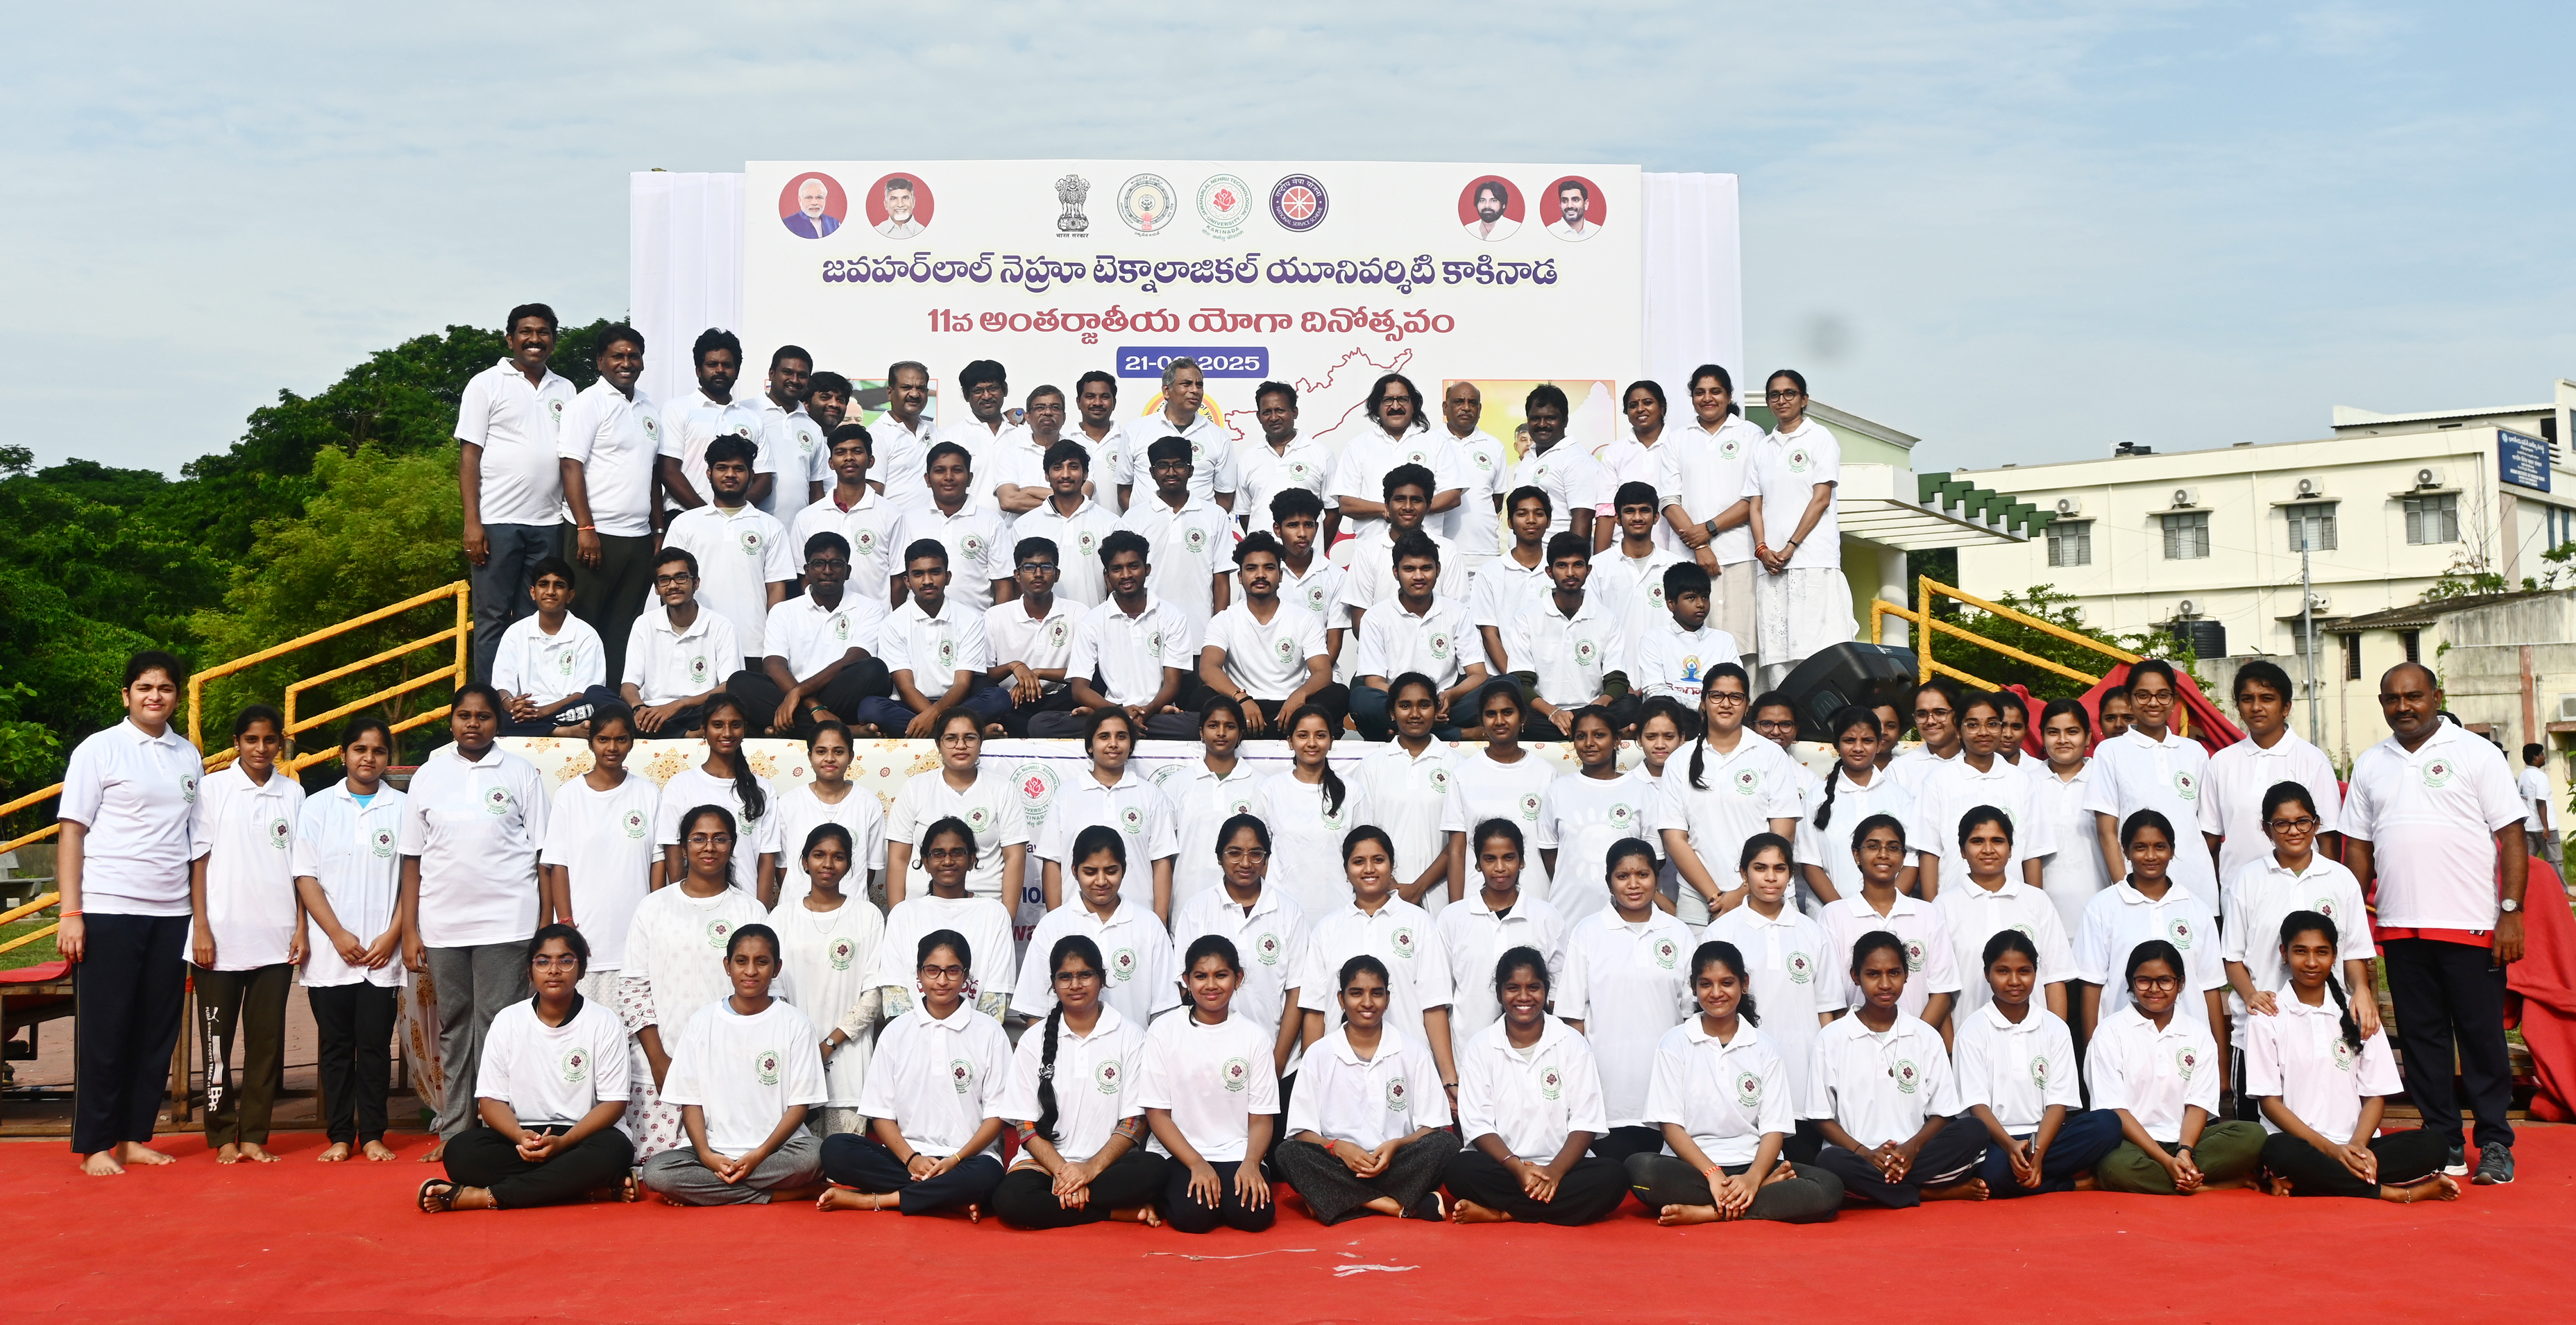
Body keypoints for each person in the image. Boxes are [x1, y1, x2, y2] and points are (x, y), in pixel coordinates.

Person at [2341, 661, 2530, 1183]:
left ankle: (2494, 1142)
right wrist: (2351, 915)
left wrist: (2510, 913)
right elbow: (2357, 847)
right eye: (2392, 698)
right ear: (2382, 704)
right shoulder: (2370, 763)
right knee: (2422, 1041)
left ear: (2435, 695)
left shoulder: (2476, 753)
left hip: (2471, 927)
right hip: (2401, 929)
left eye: (2414, 695)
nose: (2404, 706)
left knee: (2481, 1039)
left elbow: (2512, 836)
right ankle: (2443, 1140)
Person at [58, 653, 197, 1172]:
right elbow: (72, 830)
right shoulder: (99, 749)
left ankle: (135, 1135)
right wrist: (71, 912)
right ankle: (95, 1143)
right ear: (126, 695)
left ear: (177, 696)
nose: (154, 696)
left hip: (172, 911)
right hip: (111, 905)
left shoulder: (188, 755)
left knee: (156, 1029)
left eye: (164, 687)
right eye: (144, 687)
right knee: (106, 1028)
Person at [399, 684, 549, 1161]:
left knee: (499, 1028)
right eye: (463, 715)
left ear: (497, 722)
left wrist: (543, 927)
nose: (473, 724)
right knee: (455, 1026)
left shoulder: (522, 773)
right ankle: (456, 1132)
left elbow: (545, 856)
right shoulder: (429, 775)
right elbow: (411, 858)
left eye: (483, 716)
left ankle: (498, 1133)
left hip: (508, 922)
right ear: (450, 721)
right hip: (444, 924)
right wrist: (410, 927)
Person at [1625, 940, 1846, 1224]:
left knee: (1828, 1187)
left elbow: (1774, 1129)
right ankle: (1754, 1199)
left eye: (1727, 983)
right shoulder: (1674, 1043)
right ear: (1693, 987)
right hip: (1692, 1168)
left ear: (1744, 984)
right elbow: (1669, 1126)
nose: (1716, 993)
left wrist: (1753, 1179)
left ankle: (1710, 1212)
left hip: (1753, 1163)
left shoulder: (1764, 1047)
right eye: (1706, 984)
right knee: (1640, 1172)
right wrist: (1714, 1175)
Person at [2246, 912, 2459, 1203]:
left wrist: (2357, 1146)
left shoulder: (2359, 1013)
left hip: (2356, 1142)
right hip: (2300, 1145)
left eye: (2322, 952)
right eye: (2300, 951)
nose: (2311, 962)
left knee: (2435, 1144)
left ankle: (2311, 1181)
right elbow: (2269, 1103)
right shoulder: (2267, 1016)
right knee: (2278, 1150)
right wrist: (2332, 1151)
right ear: (2284, 953)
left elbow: (2374, 1095)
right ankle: (2395, 1193)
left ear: (2335, 956)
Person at [421, 925, 636, 1210]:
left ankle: (485, 1197)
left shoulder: (604, 1022)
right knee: (461, 1152)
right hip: (522, 1137)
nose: (554, 969)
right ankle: (583, 1188)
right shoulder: (508, 1020)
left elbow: (614, 1103)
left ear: (582, 970)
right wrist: (519, 1136)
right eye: (543, 961)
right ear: (529, 971)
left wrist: (564, 1143)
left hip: (580, 1137)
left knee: (615, 1151)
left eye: (566, 960)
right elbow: (491, 1099)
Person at [617, 804, 777, 1159]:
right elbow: (633, 989)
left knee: (729, 1159)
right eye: (699, 838)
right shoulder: (654, 907)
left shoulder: (749, 911)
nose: (709, 847)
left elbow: (765, 992)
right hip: (660, 1061)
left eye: (720, 838)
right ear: (684, 846)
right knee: (654, 1170)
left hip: (732, 1065)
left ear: (733, 845)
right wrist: (659, 1060)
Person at [817, 929, 1012, 1217]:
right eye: (932, 970)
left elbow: (996, 1115)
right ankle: (951, 1197)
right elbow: (881, 1114)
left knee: (988, 1174)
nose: (942, 980)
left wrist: (957, 1158)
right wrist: (911, 1159)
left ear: (966, 976)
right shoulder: (897, 1031)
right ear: (918, 975)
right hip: (905, 1158)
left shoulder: (990, 1032)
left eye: (952, 971)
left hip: (968, 1158)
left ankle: (878, 1200)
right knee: (835, 1149)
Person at [189, 705, 305, 1163]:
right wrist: (200, 926)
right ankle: (221, 1136)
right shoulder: (214, 789)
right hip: (218, 936)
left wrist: (301, 928)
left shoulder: (294, 794)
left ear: (280, 744)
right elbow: (198, 862)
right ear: (237, 742)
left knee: (266, 1045)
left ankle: (255, 1134)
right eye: (252, 739)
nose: (261, 748)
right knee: (217, 1043)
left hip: (276, 938)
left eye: (270, 740)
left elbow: (302, 870)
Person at [641, 925, 829, 1204]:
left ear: (776, 968)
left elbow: (800, 1106)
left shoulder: (796, 1024)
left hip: (776, 1151)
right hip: (714, 1152)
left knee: (816, 1156)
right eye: (741, 961)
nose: (750, 971)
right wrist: (705, 1155)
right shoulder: (701, 1022)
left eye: (761, 962)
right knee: (657, 1173)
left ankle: (707, 1192)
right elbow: (691, 1101)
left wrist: (760, 1154)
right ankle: (779, 1194)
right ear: (727, 966)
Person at [1441, 947, 1625, 1225]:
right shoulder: (1480, 1047)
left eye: (1534, 987)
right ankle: (1550, 1208)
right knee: (1458, 1169)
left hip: (1563, 1167)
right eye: (1513, 988)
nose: (1524, 997)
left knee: (1613, 1176)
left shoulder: (1571, 1042)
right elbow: (1477, 1126)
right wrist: (1518, 1169)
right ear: (1500, 993)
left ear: (1546, 990)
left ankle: (1504, 1213)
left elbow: (1586, 1122)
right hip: (1503, 1166)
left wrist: (1553, 1172)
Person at [293, 717, 407, 1163]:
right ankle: (340, 1134)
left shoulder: (402, 808)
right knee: (336, 1047)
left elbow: (412, 881)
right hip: (329, 953)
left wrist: (393, 934)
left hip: (382, 953)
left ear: (387, 759)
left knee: (375, 1045)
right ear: (344, 755)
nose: (369, 758)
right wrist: (337, 934)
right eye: (360, 749)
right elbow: (306, 876)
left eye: (378, 751)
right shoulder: (318, 807)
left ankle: (374, 1132)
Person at [993, 936, 1167, 1228]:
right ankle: (1111, 1211)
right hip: (1046, 1167)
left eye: (1085, 975)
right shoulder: (1033, 1041)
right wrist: (1065, 1172)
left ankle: (1071, 1202)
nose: (1076, 985)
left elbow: (1134, 1123)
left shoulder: (1131, 1035)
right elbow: (1025, 1126)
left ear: (1102, 978)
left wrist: (1088, 1171)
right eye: (1066, 977)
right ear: (1053, 983)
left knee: (1155, 1170)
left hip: (1107, 1166)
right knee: (1011, 1201)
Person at [1806, 931, 1990, 1206]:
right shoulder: (1832, 1037)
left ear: (1906, 975)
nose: (1884, 984)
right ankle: (1927, 1192)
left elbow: (1944, 1112)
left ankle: (1881, 1190)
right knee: (1829, 1161)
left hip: (1914, 1154)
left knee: (1974, 1131)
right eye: (1873, 974)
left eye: (1894, 973)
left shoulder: (1925, 1036)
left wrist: (1910, 1150)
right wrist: (1865, 1153)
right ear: (1856, 976)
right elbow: (1821, 1117)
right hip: (1858, 1156)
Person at [1277, 954, 1461, 1222]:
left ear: (1387, 999)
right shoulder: (1319, 1054)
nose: (1367, 1003)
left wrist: (1397, 1145)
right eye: (1356, 993)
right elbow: (1302, 1132)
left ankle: (1337, 1200)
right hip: (1338, 1162)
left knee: (1447, 1144)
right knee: (1288, 1154)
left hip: (1395, 1162)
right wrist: (1338, 1147)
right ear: (1341, 999)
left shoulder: (1413, 1051)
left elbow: (1432, 1127)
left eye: (1377, 993)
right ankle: (1390, 1204)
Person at [1557, 838, 1697, 1165]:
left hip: (1667, 1095)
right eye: (1623, 876)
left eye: (1643, 875)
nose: (1634, 885)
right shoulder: (1588, 932)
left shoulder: (1678, 934)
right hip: (1607, 1097)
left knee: (1656, 1178)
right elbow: (1572, 1020)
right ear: (1609, 881)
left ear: (1657, 879)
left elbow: (1693, 1017)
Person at [2085, 940, 2265, 1195]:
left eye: (2165, 980)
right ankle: (2208, 1185)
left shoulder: (2198, 1034)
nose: (2154, 989)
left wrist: (2184, 1152)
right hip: (2129, 1144)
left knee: (2253, 1136)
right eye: (2144, 980)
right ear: (2131, 983)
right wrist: (2165, 1160)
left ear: (2181, 984)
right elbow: (2116, 1111)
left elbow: (2198, 1105)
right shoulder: (2109, 1032)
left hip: (2186, 1143)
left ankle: (2177, 1176)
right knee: (2116, 1167)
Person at [1952, 931, 2122, 1199]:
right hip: (1996, 1140)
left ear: (2036, 973)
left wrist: (2039, 1152)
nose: (2015, 981)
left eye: (2024, 971)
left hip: (2045, 1136)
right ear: (1987, 974)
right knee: (1994, 1173)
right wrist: (2011, 1148)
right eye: (2003, 971)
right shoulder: (1972, 1030)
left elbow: (2058, 1102)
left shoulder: (2055, 1027)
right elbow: (1977, 1107)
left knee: (2108, 1124)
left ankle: (2031, 1173)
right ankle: (2072, 1185)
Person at [457, 303, 577, 683]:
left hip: (548, 523)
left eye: (543, 333)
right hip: (496, 523)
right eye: (526, 332)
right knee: (492, 618)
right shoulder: (486, 383)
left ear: (553, 341)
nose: (535, 339)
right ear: (510, 339)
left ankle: (529, 703)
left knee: (537, 617)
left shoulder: (566, 389)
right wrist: (472, 523)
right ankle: (490, 706)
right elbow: (469, 457)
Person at [2222, 782, 2378, 1066]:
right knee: (2256, 1110)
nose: (2294, 831)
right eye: (2282, 824)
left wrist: (2362, 992)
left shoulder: (2340, 880)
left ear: (2317, 824)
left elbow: (2353, 953)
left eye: (2303, 822)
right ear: (2266, 828)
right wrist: (2251, 996)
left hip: (2329, 1030)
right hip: (2260, 1030)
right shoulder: (2248, 879)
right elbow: (2232, 958)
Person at [1700, 834, 1838, 1155]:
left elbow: (1827, 1013)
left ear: (1791, 874)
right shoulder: (1721, 932)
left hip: (1803, 1078)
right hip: (1742, 1078)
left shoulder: (1812, 933)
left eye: (1780, 868)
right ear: (1743, 873)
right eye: (1760, 868)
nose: (1771, 877)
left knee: (1803, 1176)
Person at [1139, 936, 1284, 1233]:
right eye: (1200, 976)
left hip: (1236, 1152)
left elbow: (1260, 1119)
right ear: (1186, 981)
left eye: (1221, 975)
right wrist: (1196, 1163)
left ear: (1238, 978)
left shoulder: (1254, 1037)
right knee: (1194, 1217)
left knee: (1254, 1217)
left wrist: (1252, 1163)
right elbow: (1157, 1115)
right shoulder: (1163, 1031)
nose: (1211, 985)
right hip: (1180, 1153)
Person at [1298, 825, 1457, 1087]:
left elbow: (1434, 1006)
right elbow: (1315, 1012)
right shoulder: (1327, 929)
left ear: (1392, 866)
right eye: (1359, 862)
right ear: (1346, 870)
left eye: (1378, 860)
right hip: (1338, 1072)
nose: (1369, 869)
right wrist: (1310, 1078)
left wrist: (1449, 1079)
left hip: (1407, 1068)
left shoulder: (1420, 922)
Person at [1655, 665, 1802, 924]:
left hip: (1766, 894)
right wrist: (1716, 897)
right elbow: (1674, 838)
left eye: (1735, 697)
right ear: (1703, 702)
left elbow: (1783, 834)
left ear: (1747, 706)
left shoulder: (1771, 755)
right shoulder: (1679, 760)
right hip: (1700, 901)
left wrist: (1742, 893)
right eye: (1717, 696)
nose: (1726, 704)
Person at [556, 324, 659, 685]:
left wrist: (657, 532)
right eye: (618, 355)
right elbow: (570, 466)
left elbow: (652, 476)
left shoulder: (648, 407)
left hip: (638, 537)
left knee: (623, 629)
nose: (626, 362)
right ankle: (578, 705)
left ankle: (612, 707)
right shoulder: (586, 403)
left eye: (633, 355)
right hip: (594, 535)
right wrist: (585, 528)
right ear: (600, 361)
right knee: (584, 625)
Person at [1171, 815, 1310, 1081]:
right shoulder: (1197, 910)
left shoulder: (1289, 911)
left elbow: (1297, 992)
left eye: (1256, 854)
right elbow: (1186, 988)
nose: (1245, 863)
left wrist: (1276, 1064)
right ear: (1219, 856)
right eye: (1234, 853)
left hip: (1277, 1061)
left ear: (1267, 858)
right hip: (1208, 1061)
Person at [2075, 810, 2225, 1046]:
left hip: (2187, 1048)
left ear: (2172, 850)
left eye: (2160, 847)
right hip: (2121, 1045)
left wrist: (2221, 1067)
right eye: (2141, 847)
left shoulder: (2197, 910)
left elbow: (2210, 989)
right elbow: (2091, 987)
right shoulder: (2102, 908)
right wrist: (2092, 1052)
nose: (2151, 856)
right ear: (2125, 850)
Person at [772, 825, 886, 1136]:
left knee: (842, 1164)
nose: (827, 864)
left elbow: (874, 993)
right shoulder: (781, 918)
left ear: (849, 864)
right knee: (798, 1163)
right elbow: (773, 992)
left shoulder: (868, 916)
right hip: (793, 1058)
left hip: (850, 1060)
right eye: (819, 855)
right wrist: (804, 1047)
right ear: (804, 861)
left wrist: (830, 1043)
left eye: (838, 857)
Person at [536, 708, 656, 1004]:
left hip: (635, 939)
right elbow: (557, 865)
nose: (612, 748)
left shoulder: (649, 794)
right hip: (584, 937)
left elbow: (659, 862)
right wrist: (566, 923)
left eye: (621, 739)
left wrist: (654, 920)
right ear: (590, 742)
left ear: (632, 742)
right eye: (603, 739)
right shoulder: (569, 796)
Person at [1743, 370, 1853, 689]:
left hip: (1812, 560)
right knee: (1778, 652)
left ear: (1804, 399)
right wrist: (1763, 549)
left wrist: (1790, 546)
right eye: (1774, 395)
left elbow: (1821, 499)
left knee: (1819, 647)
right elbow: (1755, 504)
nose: (1782, 400)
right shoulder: (1763, 448)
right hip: (1771, 565)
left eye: (1789, 393)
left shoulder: (1820, 439)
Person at [2198, 661, 2344, 896]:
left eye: (2267, 698)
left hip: (2301, 892)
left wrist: (2326, 893)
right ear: (2238, 707)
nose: (2256, 707)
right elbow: (2210, 841)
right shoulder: (2221, 763)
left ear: (2286, 707)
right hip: (2237, 893)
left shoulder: (2312, 760)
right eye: (2247, 699)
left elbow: (2328, 839)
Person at [727, 532, 892, 738]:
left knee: (874, 670)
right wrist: (813, 705)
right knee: (739, 683)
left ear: (848, 571)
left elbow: (854, 658)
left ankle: (788, 729)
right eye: (819, 563)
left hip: (837, 695)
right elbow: (773, 665)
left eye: (836, 564)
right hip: (792, 694)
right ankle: (844, 730)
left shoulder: (869, 608)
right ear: (807, 570)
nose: (828, 571)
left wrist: (798, 693)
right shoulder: (784, 610)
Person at [2085, 661, 2219, 912]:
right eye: (2143, 695)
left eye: (2163, 695)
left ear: (2175, 699)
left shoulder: (2195, 752)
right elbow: (2106, 831)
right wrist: (2125, 890)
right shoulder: (2111, 751)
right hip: (2137, 891)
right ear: (2129, 699)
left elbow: (2209, 830)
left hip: (2196, 890)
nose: (2154, 703)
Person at [1436, 820, 1570, 1068]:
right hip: (1468, 1061)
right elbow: (1438, 1001)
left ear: (1522, 861)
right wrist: (1449, 1075)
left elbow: (1559, 999)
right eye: (1490, 859)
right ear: (1477, 863)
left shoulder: (1547, 918)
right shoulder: (1453, 918)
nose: (1500, 868)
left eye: (1509, 857)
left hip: (1536, 1060)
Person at [1020, 826, 1180, 1024]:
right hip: (1066, 1053)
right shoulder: (1052, 926)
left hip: (1136, 1053)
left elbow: (1165, 1011)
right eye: (1090, 872)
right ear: (1074, 871)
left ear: (1124, 869)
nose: (1101, 881)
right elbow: (1035, 1009)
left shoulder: (1149, 925)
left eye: (1111, 871)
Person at [1054, 530, 1201, 739]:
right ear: (1107, 575)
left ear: (1147, 569)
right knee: (1040, 723)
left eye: (1133, 566)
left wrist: (1146, 712)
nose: (1126, 575)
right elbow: (1079, 690)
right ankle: (1114, 725)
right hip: (1112, 712)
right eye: (1117, 569)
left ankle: (1115, 727)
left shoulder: (1173, 617)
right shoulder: (1092, 621)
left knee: (1196, 725)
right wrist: (1119, 714)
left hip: (1156, 714)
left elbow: (1172, 684)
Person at [661, 436, 793, 670]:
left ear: (752, 476)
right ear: (709, 473)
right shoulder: (685, 523)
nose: (730, 474)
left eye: (739, 468)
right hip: (696, 641)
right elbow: (667, 586)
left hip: (753, 645)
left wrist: (775, 645)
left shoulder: (771, 526)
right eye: (722, 468)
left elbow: (776, 593)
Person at [1817, 814, 1959, 1028]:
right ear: (1856, 854)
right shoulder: (1834, 915)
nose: (1883, 854)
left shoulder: (1927, 914)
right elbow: (1831, 995)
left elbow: (1942, 990)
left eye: (1893, 848)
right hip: (1854, 1042)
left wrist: (1914, 1039)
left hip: (1916, 1046)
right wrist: (1859, 1039)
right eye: (1873, 847)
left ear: (1903, 858)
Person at [871, 814, 1019, 1021]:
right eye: (938, 854)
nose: (948, 861)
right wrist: (914, 1041)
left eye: (957, 853)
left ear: (971, 859)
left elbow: (997, 994)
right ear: (926, 862)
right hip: (912, 1043)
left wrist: (970, 1038)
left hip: (973, 1042)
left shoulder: (993, 913)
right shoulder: (903, 914)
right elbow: (895, 993)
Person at [1935, 807, 2076, 1021]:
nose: (1988, 849)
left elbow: (2055, 978)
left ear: (2011, 850)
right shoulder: (1944, 906)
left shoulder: (2037, 901)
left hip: (2034, 1038)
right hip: (1969, 1039)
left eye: (1998, 841)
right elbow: (1939, 988)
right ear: (1963, 851)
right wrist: (1952, 1048)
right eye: (1977, 841)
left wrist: (2056, 1037)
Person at [1664, 365, 1766, 663]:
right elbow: (1669, 500)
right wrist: (1699, 545)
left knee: (1743, 650)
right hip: (1690, 561)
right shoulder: (1679, 439)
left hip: (1741, 556)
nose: (1707, 398)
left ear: (1729, 395)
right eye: (1700, 392)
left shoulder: (1750, 434)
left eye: (1715, 391)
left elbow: (1753, 499)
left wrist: (1708, 530)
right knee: (1693, 652)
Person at [1035, 709, 1179, 917]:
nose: (1113, 744)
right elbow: (1052, 863)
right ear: (1090, 746)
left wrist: (1158, 921)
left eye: (1121, 736)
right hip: (1076, 922)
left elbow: (1161, 862)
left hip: (1136, 920)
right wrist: (1057, 921)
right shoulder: (1066, 795)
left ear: (1131, 745)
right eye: (1104, 736)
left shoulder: (1150, 795)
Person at [858, 539, 1007, 738]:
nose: (927, 581)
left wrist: (934, 716)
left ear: (947, 577)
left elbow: (962, 684)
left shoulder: (970, 619)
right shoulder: (892, 623)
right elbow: (905, 687)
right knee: (870, 708)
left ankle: (937, 731)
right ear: (907, 581)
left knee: (999, 698)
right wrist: (930, 716)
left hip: (958, 703)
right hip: (910, 706)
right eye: (918, 574)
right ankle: (969, 731)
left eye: (935, 572)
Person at [1199, 532, 1344, 733]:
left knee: (1339, 693)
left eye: (1269, 568)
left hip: (1291, 708)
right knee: (1200, 695)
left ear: (1281, 575)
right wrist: (1241, 698)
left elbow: (1323, 671)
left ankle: (1272, 729)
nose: (1260, 575)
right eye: (1251, 568)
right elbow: (1208, 668)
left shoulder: (1303, 618)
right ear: (1240, 577)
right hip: (1242, 707)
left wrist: (1299, 695)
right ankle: (1282, 730)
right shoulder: (1224, 620)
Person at [1915, 692, 2056, 897]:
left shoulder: (2022, 781)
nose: (1983, 732)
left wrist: (2033, 905)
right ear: (1958, 730)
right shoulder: (1938, 781)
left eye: (1992, 724)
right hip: (1955, 900)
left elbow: (2032, 853)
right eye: (1972, 725)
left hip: (2012, 899)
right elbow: (1929, 852)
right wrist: (1933, 910)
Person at [1350, 537, 1489, 741]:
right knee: (1361, 699)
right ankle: (1458, 734)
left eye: (1426, 568)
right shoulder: (1375, 616)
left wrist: (1447, 697)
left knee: (1507, 686)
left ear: (1438, 570)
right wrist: (1414, 705)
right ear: (1396, 572)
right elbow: (1374, 681)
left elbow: (1478, 674)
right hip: (1399, 703)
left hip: (1446, 703)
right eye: (1409, 569)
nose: (1418, 576)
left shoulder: (1457, 612)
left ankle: (1399, 731)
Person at [883, 713, 1028, 908]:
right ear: (938, 744)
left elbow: (1015, 858)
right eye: (951, 738)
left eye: (969, 738)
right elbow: (898, 860)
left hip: (984, 906)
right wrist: (897, 917)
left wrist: (1006, 919)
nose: (961, 745)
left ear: (981, 742)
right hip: (921, 907)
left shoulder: (1002, 789)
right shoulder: (914, 789)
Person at [1496, 532, 1632, 739]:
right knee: (1518, 715)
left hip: (1593, 709)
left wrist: (1596, 708)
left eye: (1578, 565)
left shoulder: (1607, 618)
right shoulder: (1527, 617)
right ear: (1549, 572)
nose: (1570, 573)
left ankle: (1585, 729)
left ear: (1588, 570)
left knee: (1631, 706)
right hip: (1545, 713)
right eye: (1562, 566)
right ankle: (1585, 732)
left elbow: (1617, 680)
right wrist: (1552, 712)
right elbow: (1521, 681)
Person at [653, 693, 781, 902]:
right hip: (694, 905)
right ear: (704, 729)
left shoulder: (762, 789)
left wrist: (761, 911)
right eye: (718, 725)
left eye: (735, 725)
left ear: (745, 728)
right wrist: (684, 904)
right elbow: (674, 851)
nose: (727, 733)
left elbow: (767, 858)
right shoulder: (681, 785)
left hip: (744, 907)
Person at [1534, 707, 1657, 920]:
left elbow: (1655, 858)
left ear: (1617, 740)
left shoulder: (1642, 791)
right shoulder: (1558, 790)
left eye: (1599, 735)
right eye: (1581, 736)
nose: (1589, 743)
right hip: (1568, 913)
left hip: (1627, 914)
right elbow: (1549, 852)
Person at [1442, 682, 1559, 905]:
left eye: (1508, 712)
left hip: (1536, 899)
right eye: (1491, 714)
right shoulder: (1462, 775)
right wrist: (1456, 910)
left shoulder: (1547, 774)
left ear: (1523, 718)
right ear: (1482, 721)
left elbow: (1553, 851)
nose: (1500, 721)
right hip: (1476, 902)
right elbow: (1457, 851)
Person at [1795, 706, 1917, 913]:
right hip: (1832, 915)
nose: (1858, 748)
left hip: (1891, 915)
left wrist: (1884, 907)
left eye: (1867, 741)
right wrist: (1844, 913)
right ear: (1837, 745)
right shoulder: (1816, 798)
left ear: (1879, 745)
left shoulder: (1900, 797)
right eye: (1850, 740)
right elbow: (1810, 864)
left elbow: (1912, 862)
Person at [1252, 705, 1370, 918]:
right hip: (1281, 913)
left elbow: (1364, 854)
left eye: (1321, 735)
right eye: (1303, 736)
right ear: (1290, 742)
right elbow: (1255, 851)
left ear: (1332, 741)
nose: (1312, 743)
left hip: (1341, 910)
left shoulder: (1352, 792)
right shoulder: (1271, 789)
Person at [1355, 675, 1462, 906]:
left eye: (1424, 705)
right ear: (1392, 713)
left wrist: (1418, 887)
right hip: (1385, 894)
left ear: (1436, 710)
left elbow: (1459, 842)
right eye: (1405, 706)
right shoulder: (1372, 766)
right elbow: (1363, 836)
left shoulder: (1457, 766)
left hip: (1440, 896)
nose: (1415, 714)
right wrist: (1390, 884)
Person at [1121, 434, 1236, 638]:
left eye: (1179, 465)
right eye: (1163, 466)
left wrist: (1219, 634)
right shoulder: (1133, 518)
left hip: (1200, 634)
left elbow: (1221, 580)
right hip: (1147, 633)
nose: (1171, 472)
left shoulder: (1215, 515)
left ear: (1190, 471)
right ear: (1152, 472)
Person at [1327, 374, 1464, 546]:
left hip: (1424, 551)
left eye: (1403, 399)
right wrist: (1388, 510)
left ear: (1414, 405)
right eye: (1388, 400)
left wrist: (1410, 510)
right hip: (1372, 550)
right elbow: (1346, 504)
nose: (1396, 406)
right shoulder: (1358, 446)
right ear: (1377, 406)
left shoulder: (1436, 441)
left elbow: (1452, 496)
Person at [616, 548, 738, 736]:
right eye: (664, 580)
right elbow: (629, 685)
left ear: (696, 583)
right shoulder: (644, 624)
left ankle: (672, 731)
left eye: (681, 578)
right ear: (657, 589)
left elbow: (729, 686)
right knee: (600, 698)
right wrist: (638, 708)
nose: (673, 585)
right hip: (651, 711)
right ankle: (685, 734)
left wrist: (678, 704)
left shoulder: (722, 626)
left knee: (728, 709)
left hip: (698, 710)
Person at [771, 720, 889, 906]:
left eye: (839, 751)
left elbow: (869, 869)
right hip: (797, 910)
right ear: (810, 756)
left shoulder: (868, 804)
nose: (830, 758)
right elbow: (782, 867)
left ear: (851, 757)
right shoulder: (788, 804)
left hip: (850, 910)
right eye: (821, 751)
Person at [888, 442, 1013, 615]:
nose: (949, 477)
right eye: (940, 471)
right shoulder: (907, 520)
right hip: (917, 627)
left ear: (969, 478)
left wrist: (997, 626)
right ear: (927, 479)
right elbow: (900, 581)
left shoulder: (991, 522)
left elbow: (1003, 584)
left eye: (957, 470)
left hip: (975, 627)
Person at [1337, 466, 1466, 632]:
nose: (1408, 507)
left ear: (1428, 506)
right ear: (1387, 506)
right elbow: (1360, 623)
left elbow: (1459, 616)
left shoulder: (1448, 550)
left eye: (1416, 500)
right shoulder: (1366, 552)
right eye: (1399, 499)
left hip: (1438, 653)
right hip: (1382, 655)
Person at [972, 538, 1079, 738]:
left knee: (1090, 683)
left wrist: (1037, 674)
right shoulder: (995, 616)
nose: (1038, 574)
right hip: (1013, 703)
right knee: (982, 688)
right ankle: (1033, 728)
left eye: (1046, 567)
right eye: (1029, 567)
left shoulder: (1077, 613)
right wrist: (1015, 666)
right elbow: (984, 673)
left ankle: (1020, 728)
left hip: (1058, 701)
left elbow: (1085, 672)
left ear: (1056, 575)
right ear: (1018, 575)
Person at [491, 558, 604, 736]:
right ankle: (561, 732)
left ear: (570, 595)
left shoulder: (587, 635)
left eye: (559, 585)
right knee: (494, 719)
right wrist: (512, 706)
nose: (550, 592)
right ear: (533, 592)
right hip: (525, 714)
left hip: (569, 711)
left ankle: (545, 727)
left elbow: (585, 693)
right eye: (544, 584)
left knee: (594, 709)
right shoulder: (515, 633)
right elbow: (503, 686)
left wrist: (543, 712)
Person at [1164, 698, 1260, 908]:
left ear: (1241, 734)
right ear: (1201, 732)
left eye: (1230, 726)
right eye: (1213, 725)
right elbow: (1163, 856)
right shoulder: (1176, 785)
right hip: (1188, 902)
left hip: (1246, 905)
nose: (1221, 733)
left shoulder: (1261, 785)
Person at [657, 328, 760, 518]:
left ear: (736, 372)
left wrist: (735, 513)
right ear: (698, 370)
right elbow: (668, 471)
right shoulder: (677, 409)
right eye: (712, 364)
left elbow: (764, 478)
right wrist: (708, 515)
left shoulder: (751, 418)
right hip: (683, 517)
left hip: (738, 521)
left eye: (727, 365)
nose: (720, 370)